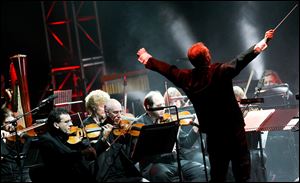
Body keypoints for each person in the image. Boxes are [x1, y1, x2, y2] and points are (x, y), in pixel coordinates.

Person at [136, 29, 274, 182]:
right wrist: (262, 42)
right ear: (208, 57)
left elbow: (168, 70)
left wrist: (147, 58)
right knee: (242, 175)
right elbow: (241, 59)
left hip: (214, 137)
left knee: (218, 175)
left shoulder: (186, 78)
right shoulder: (220, 71)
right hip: (234, 133)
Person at [136, 90, 208, 182]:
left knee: (202, 170)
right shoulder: (140, 124)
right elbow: (140, 153)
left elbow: (186, 144)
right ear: (148, 107)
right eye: (159, 106)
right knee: (161, 174)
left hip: (173, 161)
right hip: (153, 164)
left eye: (163, 104)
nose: (163, 108)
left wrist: (195, 127)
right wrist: (164, 148)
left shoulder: (169, 119)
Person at [93, 98, 148, 182]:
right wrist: (103, 138)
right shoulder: (101, 130)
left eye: (120, 112)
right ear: (106, 112)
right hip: (109, 176)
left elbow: (131, 155)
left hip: (126, 172)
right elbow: (93, 153)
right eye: (115, 112)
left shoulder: (125, 130)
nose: (119, 115)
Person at [35, 108, 97, 182]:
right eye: (66, 122)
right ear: (56, 125)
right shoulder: (46, 140)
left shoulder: (68, 135)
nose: (71, 124)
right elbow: (64, 156)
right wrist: (83, 152)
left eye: (70, 121)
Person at [232, 85, 268, 182]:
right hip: (237, 150)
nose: (239, 105)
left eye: (240, 101)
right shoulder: (230, 115)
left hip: (252, 148)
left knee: (255, 156)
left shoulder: (251, 111)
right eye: (235, 102)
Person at [1, 107, 32, 182]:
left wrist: (24, 136)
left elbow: (30, 140)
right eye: (7, 123)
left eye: (13, 122)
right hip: (6, 175)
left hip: (23, 172)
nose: (11, 126)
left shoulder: (18, 134)